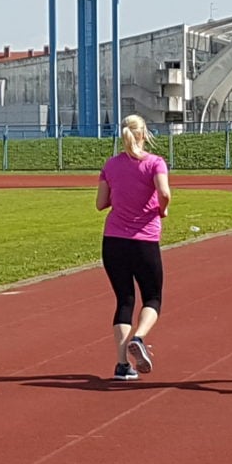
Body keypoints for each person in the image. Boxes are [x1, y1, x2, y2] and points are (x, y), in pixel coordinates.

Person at [96, 114, 171, 381]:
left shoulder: (111, 165)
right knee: (152, 297)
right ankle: (138, 338)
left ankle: (121, 364)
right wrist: (162, 210)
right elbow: (164, 193)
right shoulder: (154, 163)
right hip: (144, 240)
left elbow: (100, 203)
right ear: (144, 133)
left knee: (124, 299)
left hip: (113, 240)